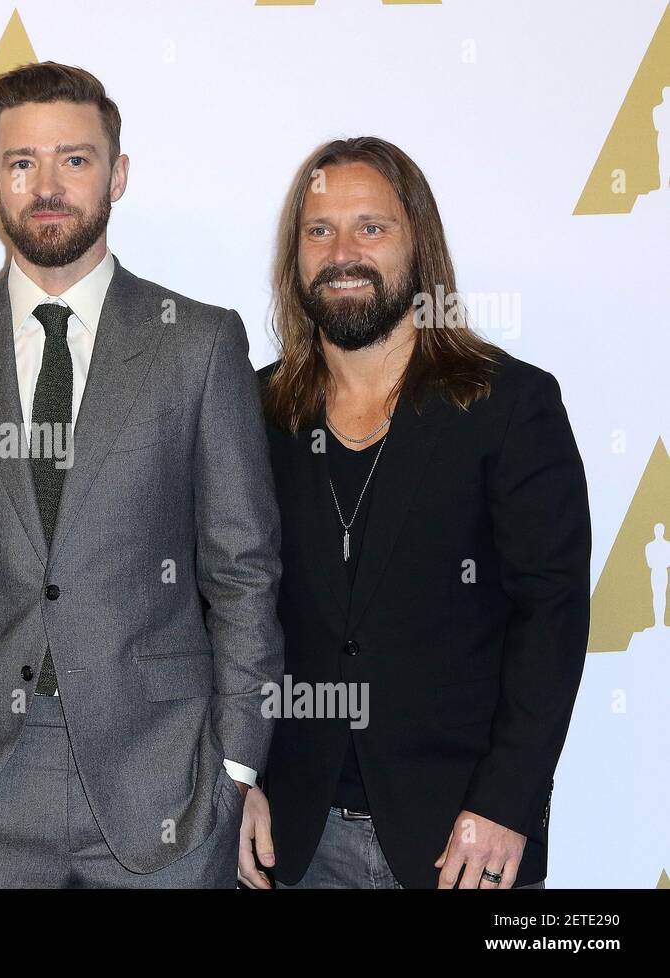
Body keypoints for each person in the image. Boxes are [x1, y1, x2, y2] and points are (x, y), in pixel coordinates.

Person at [0, 62, 282, 887]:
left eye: (75, 159)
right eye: (22, 162)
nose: (47, 186)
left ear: (118, 174)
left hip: (165, 783)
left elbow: (242, 570)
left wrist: (236, 767)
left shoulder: (198, 343)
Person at [240, 136, 590, 890]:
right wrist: (232, 781)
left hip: (464, 844)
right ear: (294, 256)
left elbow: (553, 617)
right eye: (320, 230)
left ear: (419, 245)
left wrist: (508, 802)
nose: (343, 253)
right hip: (291, 844)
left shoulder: (507, 405)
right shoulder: (252, 411)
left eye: (371, 227)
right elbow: (219, 611)